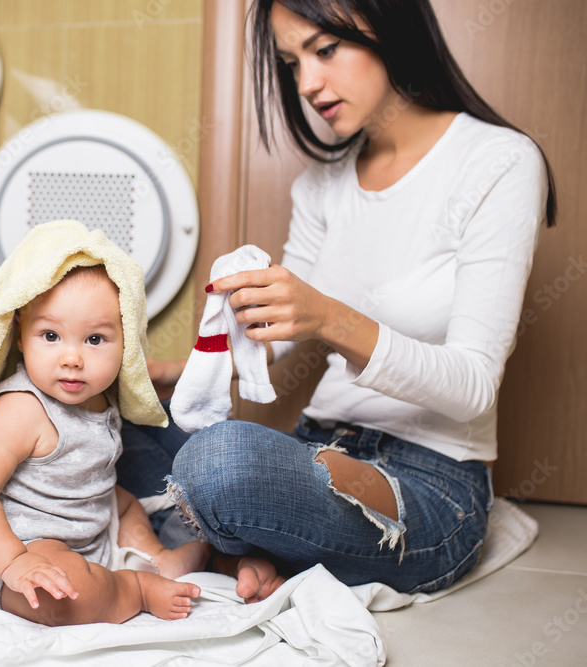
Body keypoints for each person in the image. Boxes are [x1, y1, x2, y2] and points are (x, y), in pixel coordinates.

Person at [137, 0, 557, 603]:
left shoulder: (499, 162)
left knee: (220, 463)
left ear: (390, 25)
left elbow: (474, 387)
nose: (307, 83)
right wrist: (176, 375)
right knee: (113, 414)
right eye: (291, 61)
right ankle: (252, 538)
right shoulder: (322, 184)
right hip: (317, 445)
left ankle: (233, 539)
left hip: (427, 481)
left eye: (325, 49)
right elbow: (277, 334)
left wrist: (330, 317)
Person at [0, 265, 209, 626]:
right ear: (21, 336)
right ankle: (134, 587)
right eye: (51, 335)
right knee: (60, 598)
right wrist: (13, 562)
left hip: (90, 524)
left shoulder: (103, 394)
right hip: (18, 547)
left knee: (125, 503)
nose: (72, 358)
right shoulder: (22, 408)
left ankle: (157, 557)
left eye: (95, 340)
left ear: (126, 344)